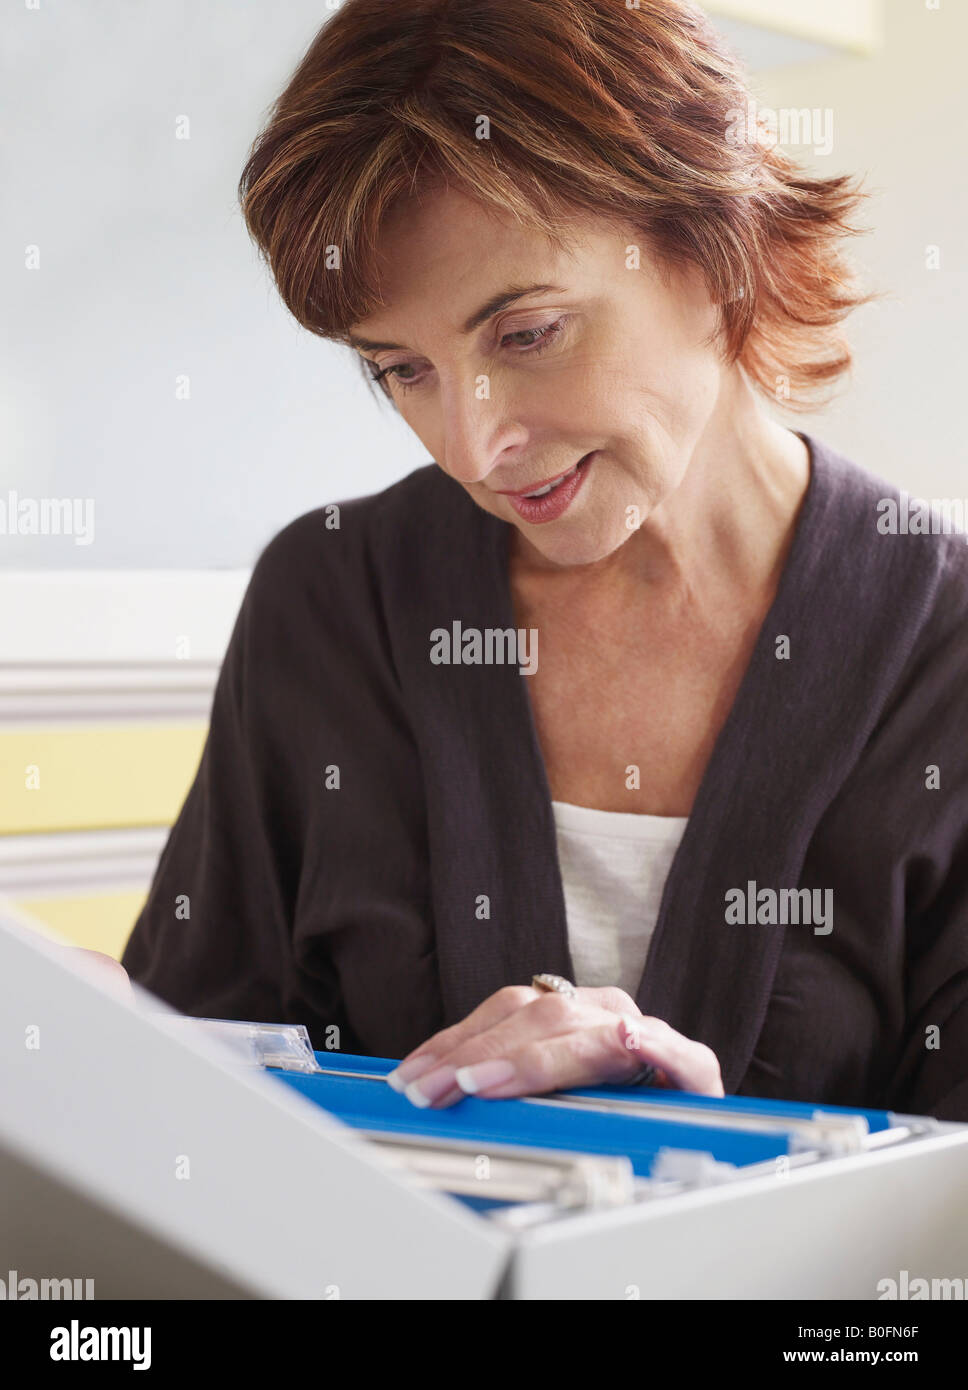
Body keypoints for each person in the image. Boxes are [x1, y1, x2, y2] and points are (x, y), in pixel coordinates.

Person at [121, 0, 968, 1120]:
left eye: (524, 335)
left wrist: (719, 1164)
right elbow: (189, 1113)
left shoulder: (943, 652)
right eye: (400, 370)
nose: (472, 446)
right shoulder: (324, 601)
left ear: (715, 246)